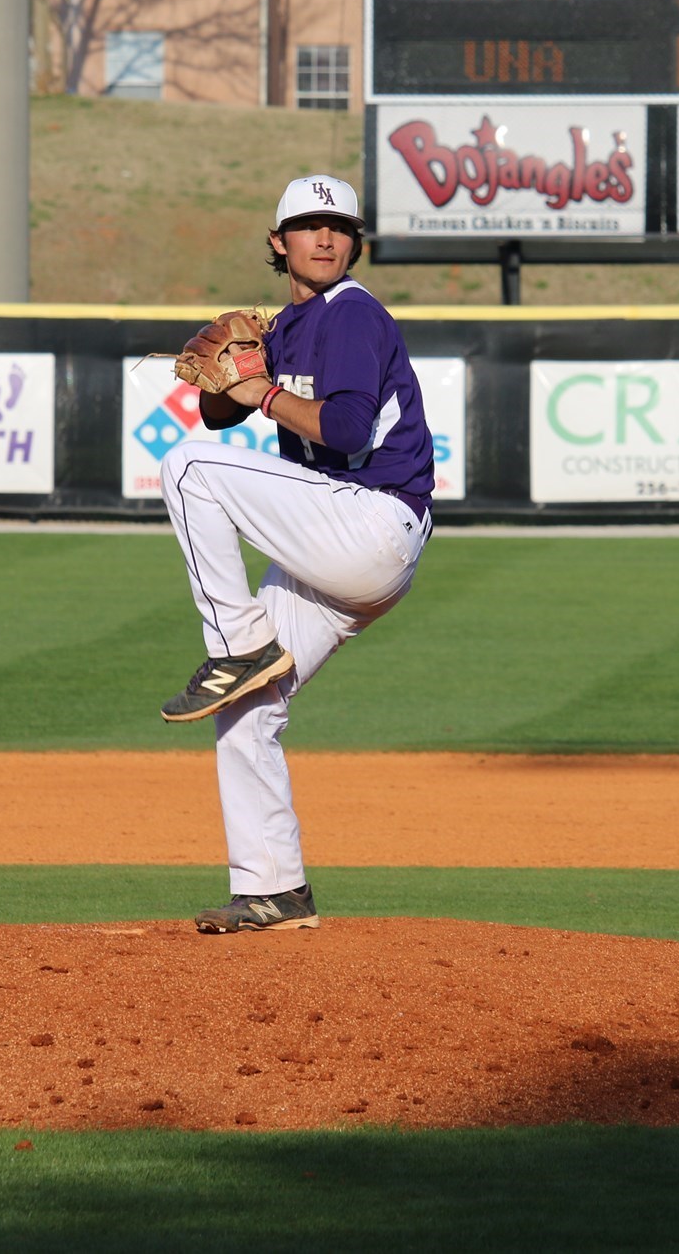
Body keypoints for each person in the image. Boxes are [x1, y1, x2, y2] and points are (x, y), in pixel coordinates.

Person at [157, 174, 436, 934]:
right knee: (247, 710)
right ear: (278, 242)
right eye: (310, 225)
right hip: (336, 541)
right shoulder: (282, 326)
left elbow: (343, 430)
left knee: (186, 468)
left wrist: (262, 395)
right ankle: (274, 890)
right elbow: (218, 413)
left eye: (340, 227)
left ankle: (238, 643)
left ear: (355, 243)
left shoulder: (353, 315)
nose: (326, 238)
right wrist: (231, 379)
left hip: (371, 519)